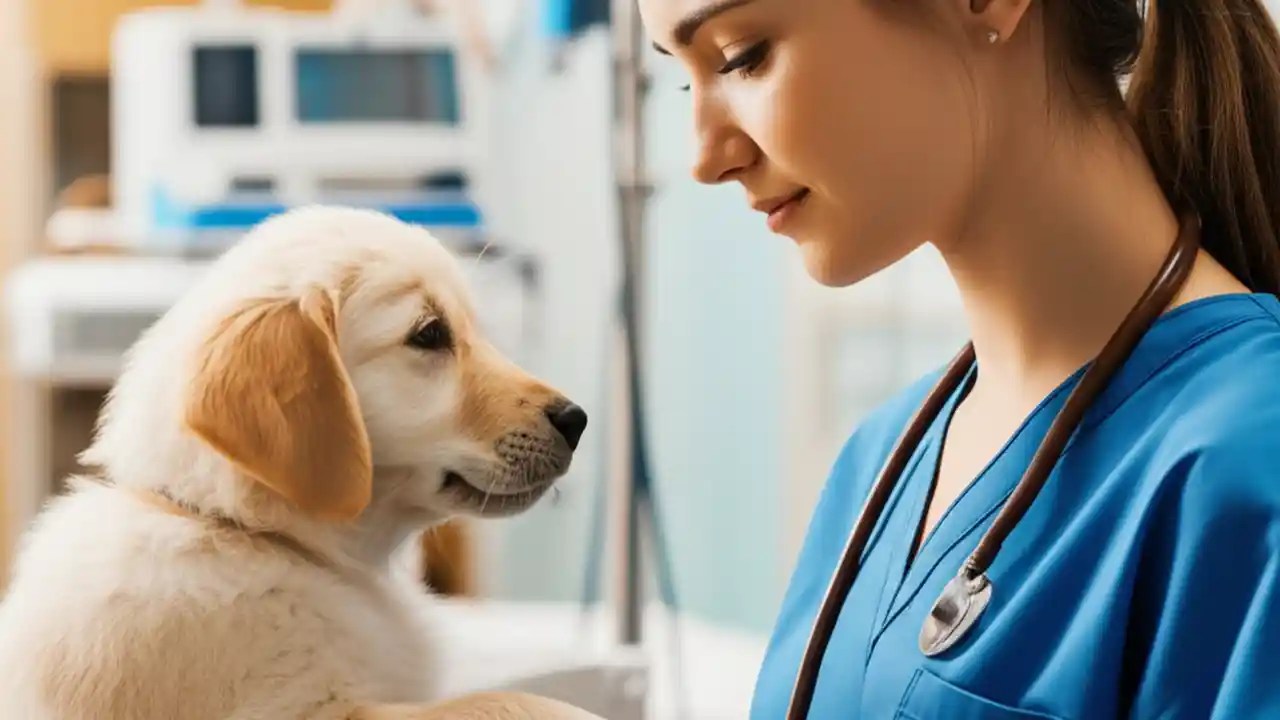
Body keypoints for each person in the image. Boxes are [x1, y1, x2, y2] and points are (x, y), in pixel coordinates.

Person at [642, 0, 1280, 718]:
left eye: (743, 56)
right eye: (683, 81)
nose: (704, 157)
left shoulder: (1248, 460)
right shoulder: (877, 463)